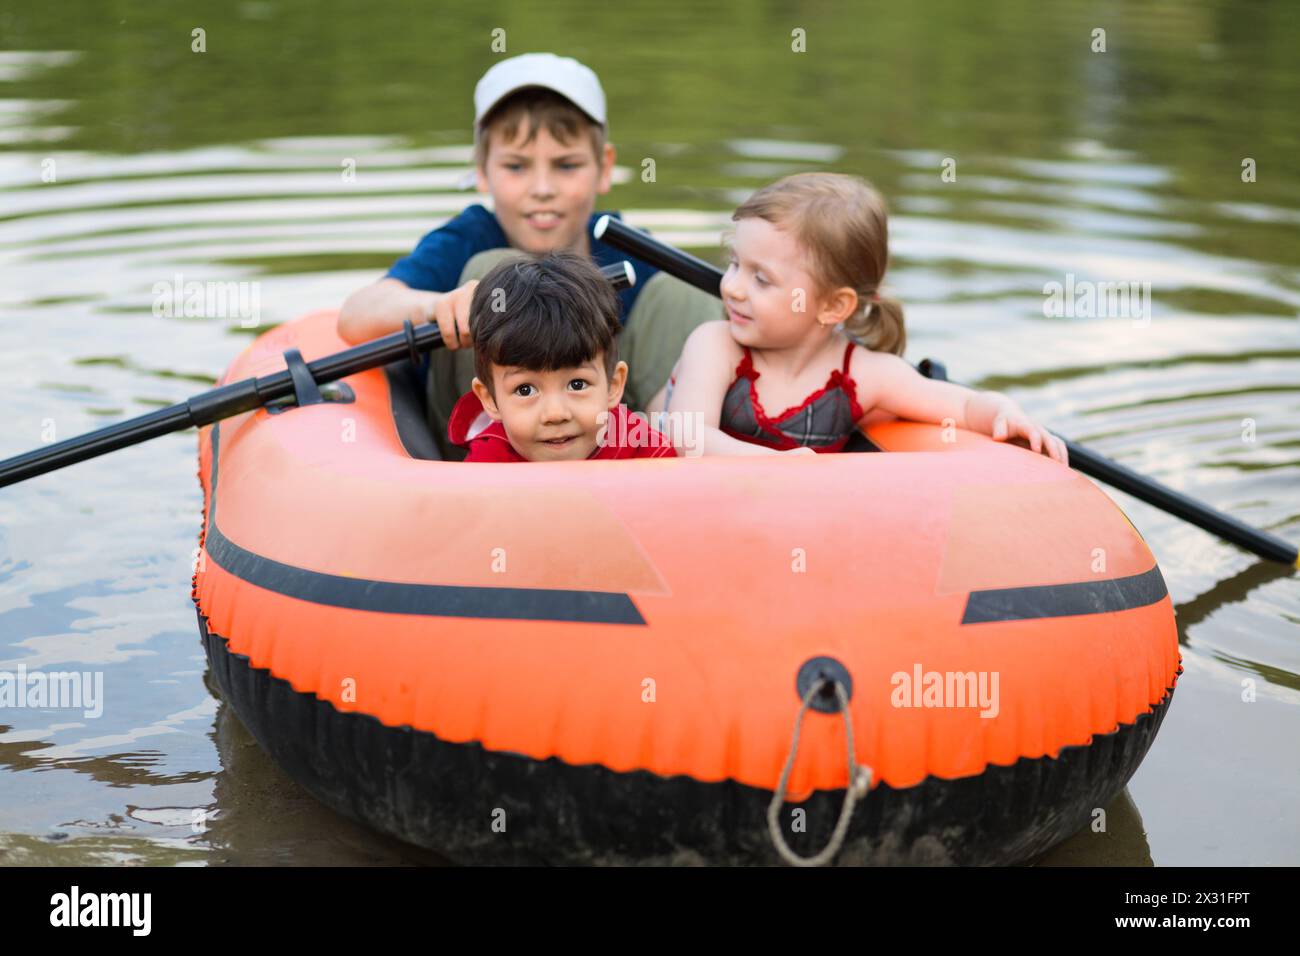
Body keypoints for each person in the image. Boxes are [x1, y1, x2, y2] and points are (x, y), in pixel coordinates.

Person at [336, 52, 719, 458]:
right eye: (517, 167)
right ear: (482, 169)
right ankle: (503, 456)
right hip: (489, 454)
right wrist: (438, 306)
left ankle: (670, 458)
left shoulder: (623, 245)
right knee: (496, 271)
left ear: (604, 167)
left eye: (566, 165)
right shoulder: (470, 237)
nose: (542, 188)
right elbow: (355, 316)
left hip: (615, 438)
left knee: (687, 290)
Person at [663, 172, 1069, 464]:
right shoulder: (716, 344)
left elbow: (962, 407)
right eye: (735, 264)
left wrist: (1004, 413)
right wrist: (778, 466)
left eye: (762, 279)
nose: (732, 287)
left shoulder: (865, 375)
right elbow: (687, 437)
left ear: (833, 306)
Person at [447, 253, 676, 462]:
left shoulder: (644, 451)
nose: (555, 414)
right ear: (489, 399)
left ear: (613, 386)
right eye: (525, 389)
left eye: (577, 384)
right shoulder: (487, 468)